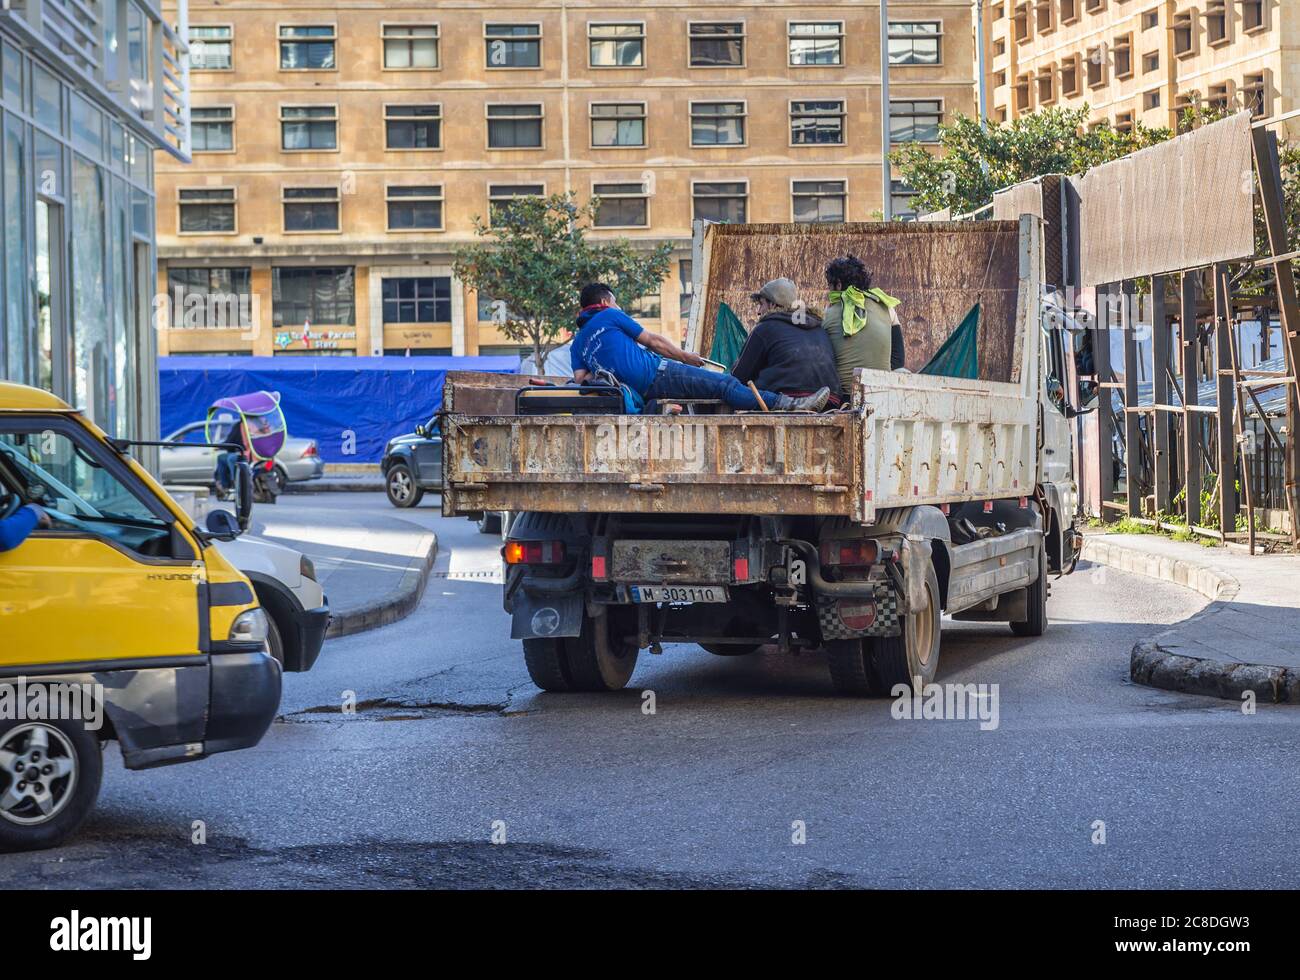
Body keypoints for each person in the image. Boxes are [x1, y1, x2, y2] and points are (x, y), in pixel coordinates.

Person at [570, 283, 830, 412]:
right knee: (726, 385)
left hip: (637, 392)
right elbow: (654, 342)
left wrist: (610, 368)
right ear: (605, 302)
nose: (618, 306)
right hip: (658, 373)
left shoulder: (578, 342)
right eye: (615, 302)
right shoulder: (610, 315)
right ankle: (790, 405)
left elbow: (583, 380)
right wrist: (686, 357)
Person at [730, 278, 843, 406]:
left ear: (773, 305)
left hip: (789, 397)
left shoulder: (765, 328)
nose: (759, 311)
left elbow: (739, 377)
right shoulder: (819, 327)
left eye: (761, 304)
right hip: (832, 400)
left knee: (731, 389)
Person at [822, 254, 906, 394]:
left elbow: (824, 365)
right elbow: (898, 361)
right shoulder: (887, 308)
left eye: (830, 286)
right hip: (882, 395)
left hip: (844, 399)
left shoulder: (826, 316)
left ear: (838, 284)